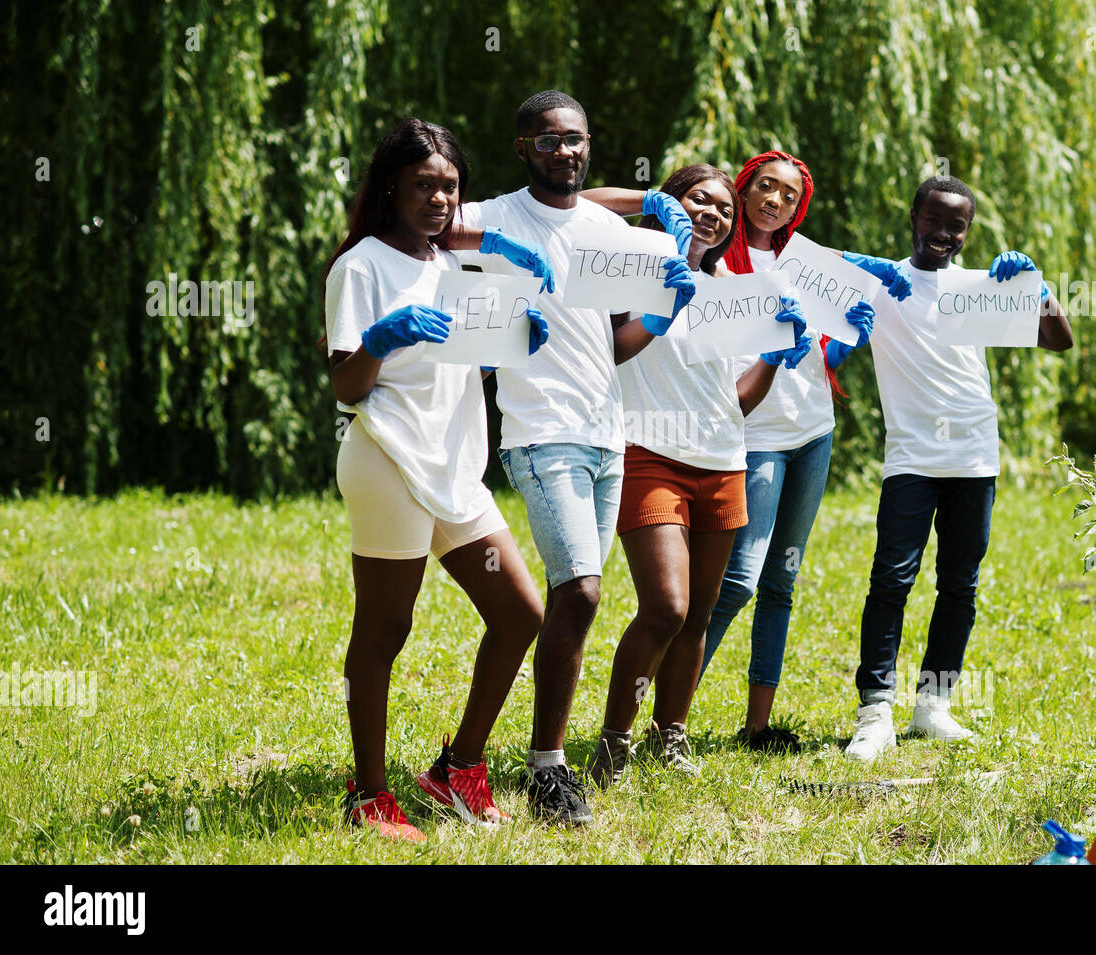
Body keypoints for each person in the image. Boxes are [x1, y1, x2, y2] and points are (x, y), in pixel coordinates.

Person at [453, 90, 694, 825]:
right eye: (550, 140)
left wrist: (660, 313)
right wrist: (487, 251)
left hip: (604, 432)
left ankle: (535, 761)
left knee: (574, 598)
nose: (566, 151)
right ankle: (548, 768)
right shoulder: (494, 214)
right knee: (582, 591)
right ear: (523, 146)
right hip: (537, 429)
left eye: (577, 140)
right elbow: (413, 222)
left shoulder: (603, 230)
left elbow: (610, 342)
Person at [324, 118, 555, 837]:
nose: (437, 198)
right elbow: (346, 384)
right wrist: (378, 340)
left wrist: (512, 340)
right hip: (390, 457)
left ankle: (457, 768)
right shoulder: (359, 267)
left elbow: (464, 359)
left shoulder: (455, 266)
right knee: (386, 627)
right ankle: (370, 795)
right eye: (423, 183)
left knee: (520, 611)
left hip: (455, 466)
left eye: (449, 186)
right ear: (390, 185)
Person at [579, 165, 812, 787]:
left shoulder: (735, 292)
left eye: (723, 210)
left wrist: (772, 355)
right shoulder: (631, 265)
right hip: (648, 454)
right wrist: (645, 200)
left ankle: (670, 735)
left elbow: (737, 401)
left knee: (701, 613)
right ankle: (614, 741)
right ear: (671, 204)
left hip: (723, 459)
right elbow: (575, 206)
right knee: (666, 607)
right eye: (696, 201)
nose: (713, 214)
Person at [845, 174, 1073, 761]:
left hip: (974, 454)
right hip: (911, 458)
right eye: (934, 219)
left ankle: (933, 705)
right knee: (891, 580)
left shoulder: (979, 289)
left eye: (957, 224)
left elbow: (1059, 340)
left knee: (959, 584)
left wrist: (1036, 285)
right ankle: (875, 712)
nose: (944, 232)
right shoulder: (882, 283)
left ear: (967, 232)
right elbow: (804, 277)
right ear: (913, 217)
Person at [697, 151, 908, 752]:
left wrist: (847, 340)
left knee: (782, 583)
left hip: (813, 431)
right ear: (744, 188)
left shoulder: (810, 263)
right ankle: (669, 716)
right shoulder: (718, 261)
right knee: (738, 579)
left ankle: (758, 727)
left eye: (789, 195)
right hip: (756, 437)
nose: (775, 200)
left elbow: (817, 354)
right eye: (766, 187)